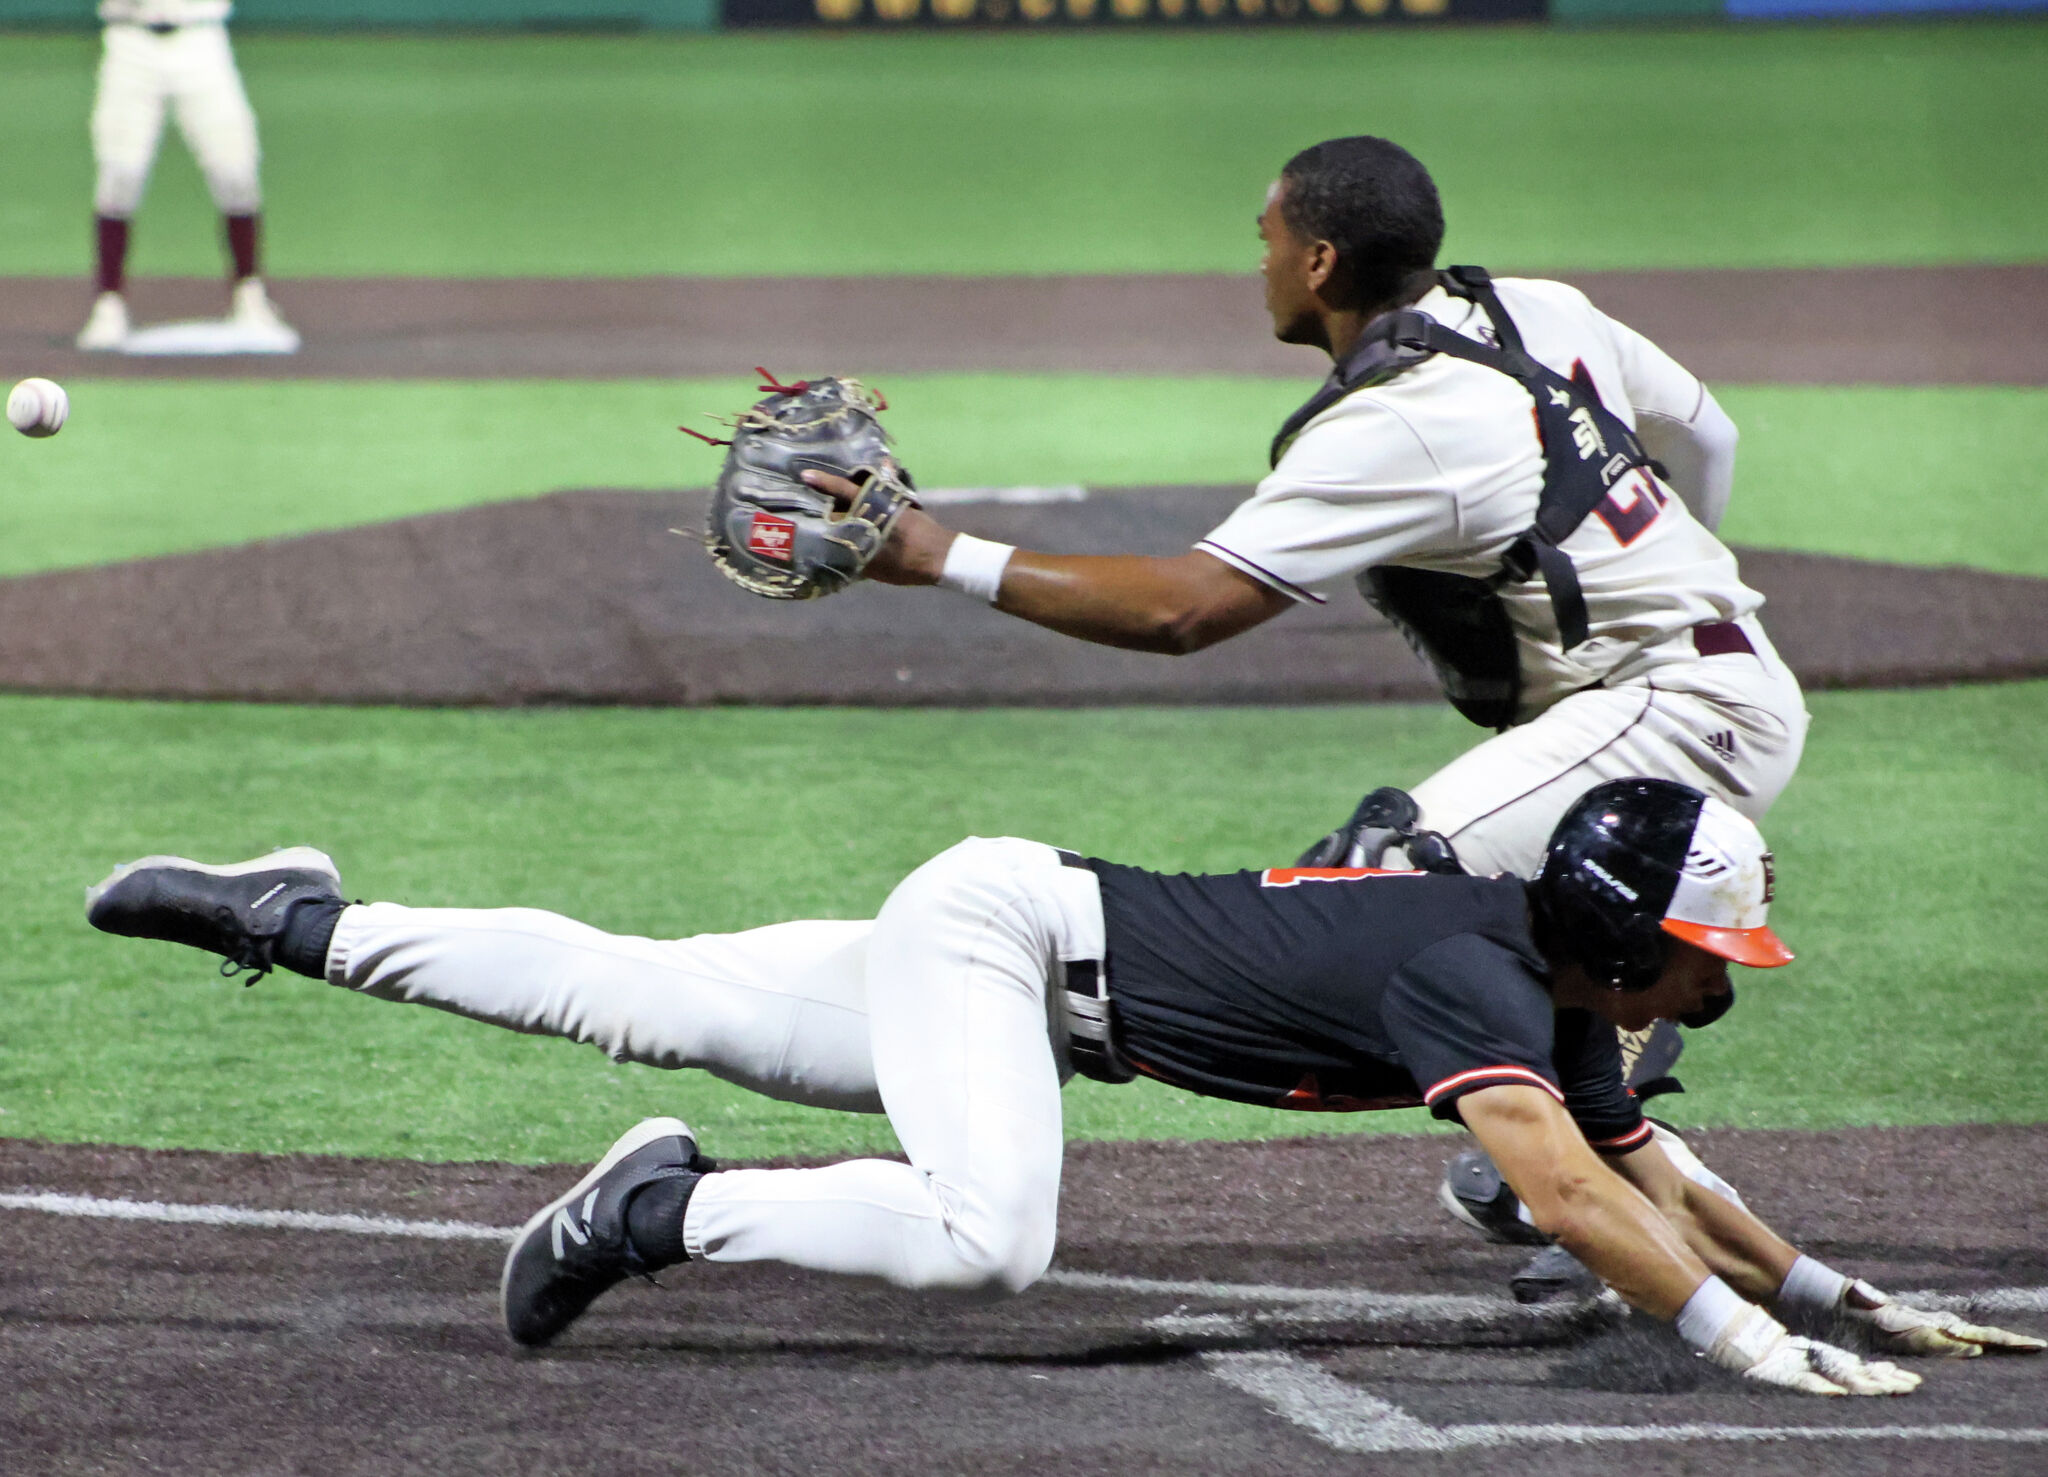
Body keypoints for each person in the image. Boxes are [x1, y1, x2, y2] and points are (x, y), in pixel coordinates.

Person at [84, 780, 2041, 1387]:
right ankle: (664, 1208)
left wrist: (1815, 1287)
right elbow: (1571, 1198)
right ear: (1630, 930)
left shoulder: (1550, 981)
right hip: (1003, 951)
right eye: (1713, 950)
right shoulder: (1471, 964)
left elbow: (1648, 1162)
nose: (1722, 980)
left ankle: (305, 921)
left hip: (1018, 967)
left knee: (643, 990)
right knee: (983, 1238)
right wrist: (1732, 1341)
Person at [810, 134, 1806, 1295]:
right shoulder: (1532, 305)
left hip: (1666, 703)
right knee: (1473, 914)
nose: (1261, 263)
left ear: (1321, 262)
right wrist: (1672, 576)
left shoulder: (1404, 420)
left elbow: (1186, 610)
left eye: (1268, 240)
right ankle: (1576, 1161)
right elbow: (1709, 436)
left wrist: (938, 553)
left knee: (1390, 879)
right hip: (1710, 680)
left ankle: (1600, 1182)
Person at [75, 0, 297, 353]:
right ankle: (109, 305)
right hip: (130, 43)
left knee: (235, 169)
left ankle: (250, 297)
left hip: (200, 39)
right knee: (120, 173)